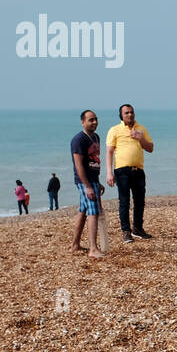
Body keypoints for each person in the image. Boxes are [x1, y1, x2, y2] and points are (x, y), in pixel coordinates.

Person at [106, 103, 154, 243]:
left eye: (131, 112)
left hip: (138, 170)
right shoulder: (114, 130)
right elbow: (109, 152)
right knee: (124, 202)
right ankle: (126, 232)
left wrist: (141, 138)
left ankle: (138, 229)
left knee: (140, 202)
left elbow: (150, 148)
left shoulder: (141, 128)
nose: (130, 115)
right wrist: (109, 173)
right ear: (121, 115)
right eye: (126, 113)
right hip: (122, 170)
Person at [70, 110, 106, 259]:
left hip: (93, 180)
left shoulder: (96, 137)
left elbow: (94, 161)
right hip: (84, 181)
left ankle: (75, 244)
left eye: (96, 119)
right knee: (93, 212)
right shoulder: (79, 140)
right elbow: (78, 165)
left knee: (83, 211)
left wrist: (97, 182)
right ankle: (93, 248)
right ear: (83, 122)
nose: (94, 122)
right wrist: (87, 185)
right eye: (91, 120)